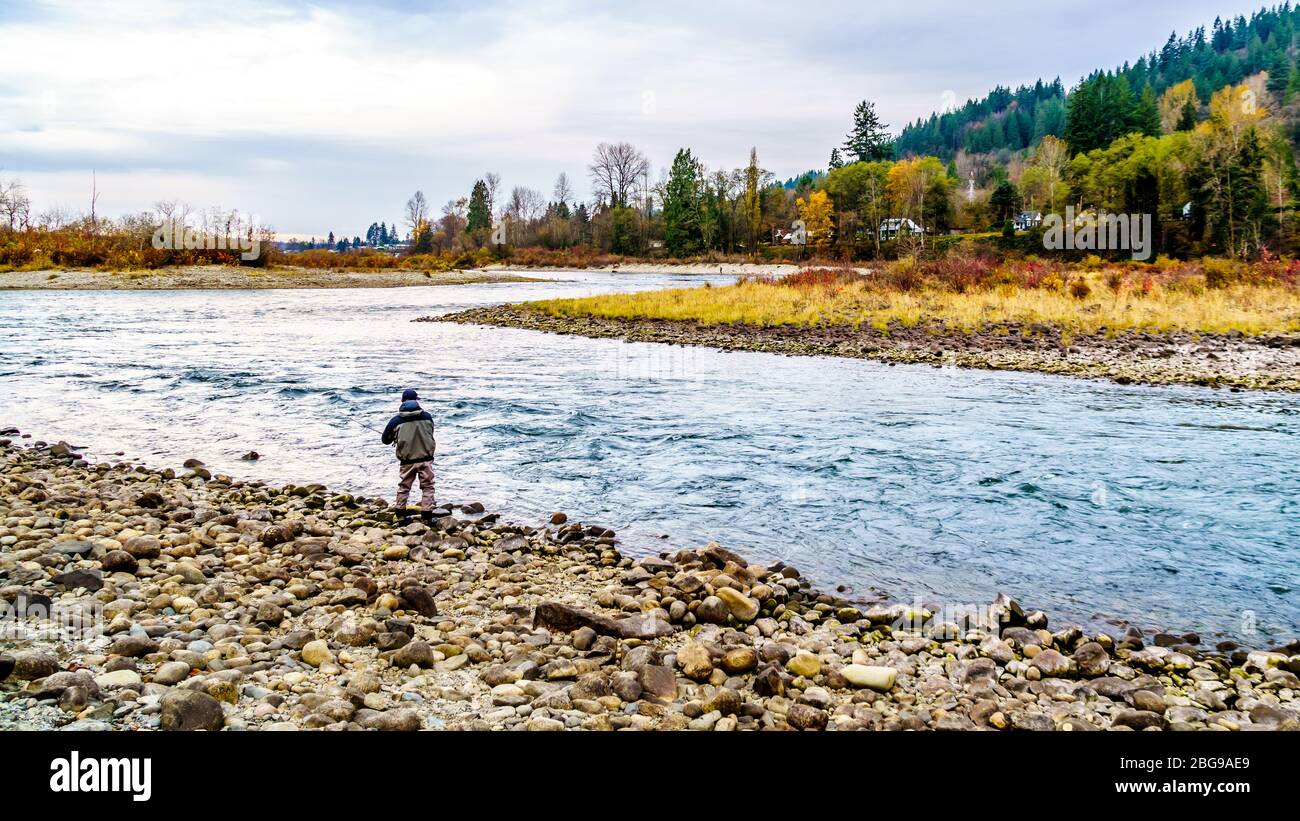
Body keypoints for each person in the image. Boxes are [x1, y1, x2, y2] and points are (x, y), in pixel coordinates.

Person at [381, 388, 436, 522]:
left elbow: (385, 440)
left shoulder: (396, 421)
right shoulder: (427, 417)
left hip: (407, 460)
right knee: (428, 487)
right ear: (416, 401)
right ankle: (427, 517)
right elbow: (430, 433)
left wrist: (396, 437)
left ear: (402, 401)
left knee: (404, 487)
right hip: (425, 458)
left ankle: (400, 515)